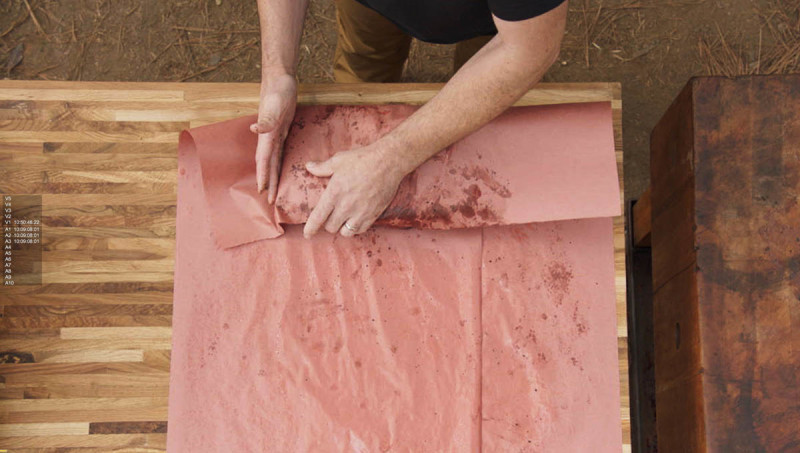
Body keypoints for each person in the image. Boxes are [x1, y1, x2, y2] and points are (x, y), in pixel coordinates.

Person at [253, 0, 568, 238]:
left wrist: (389, 161)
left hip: (489, 20)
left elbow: (526, 50)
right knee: (364, 63)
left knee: (480, 123)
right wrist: (278, 72)